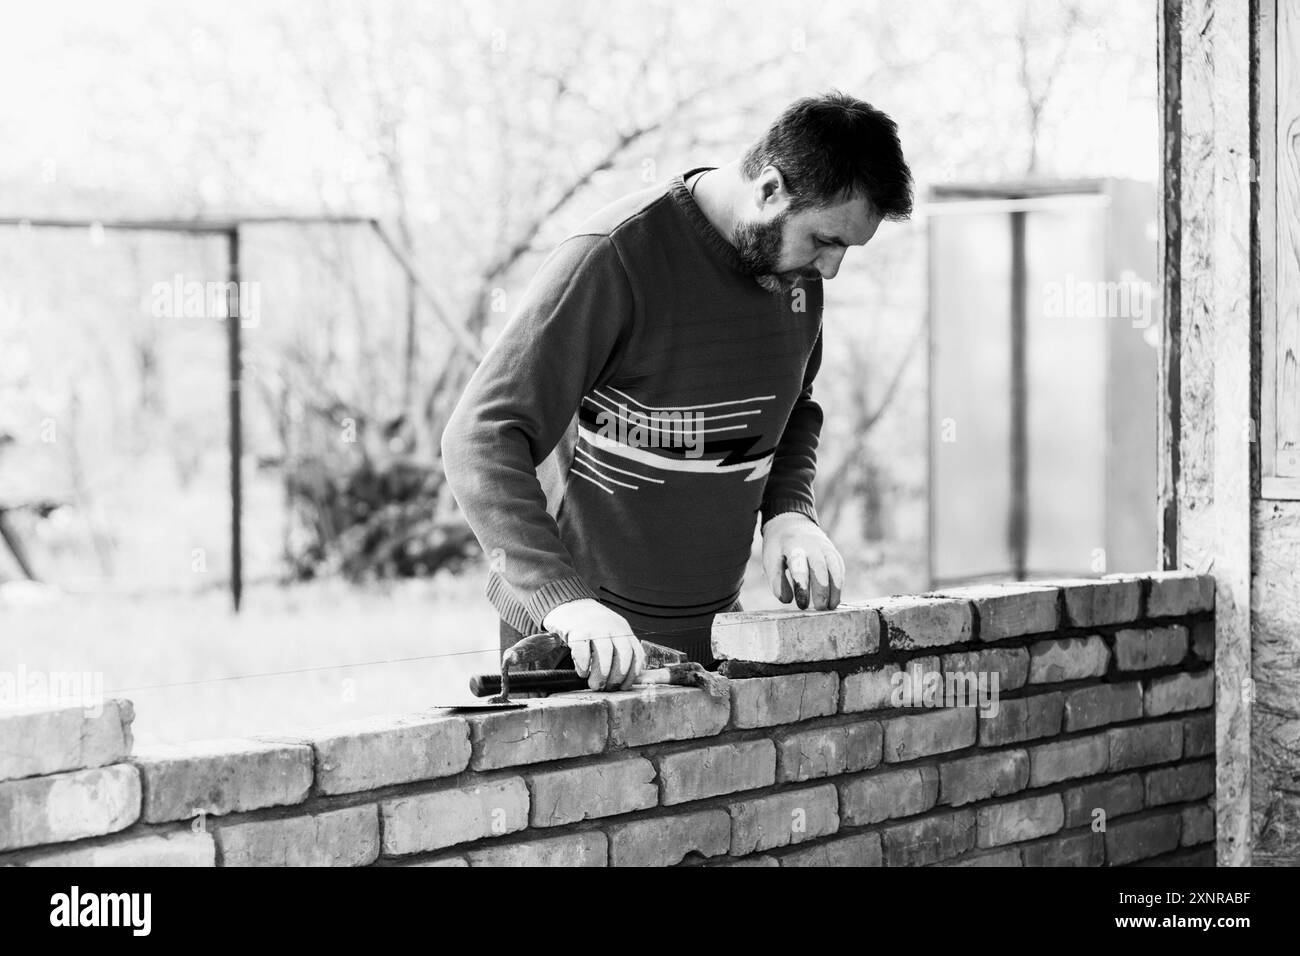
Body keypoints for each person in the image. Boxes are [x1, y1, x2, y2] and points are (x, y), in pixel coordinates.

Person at [441, 90, 913, 691]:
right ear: (770, 189)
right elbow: (479, 436)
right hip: (580, 640)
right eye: (824, 240)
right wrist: (562, 601)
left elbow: (794, 402)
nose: (831, 269)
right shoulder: (615, 257)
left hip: (712, 634)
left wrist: (788, 511)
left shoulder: (794, 279)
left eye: (846, 248)